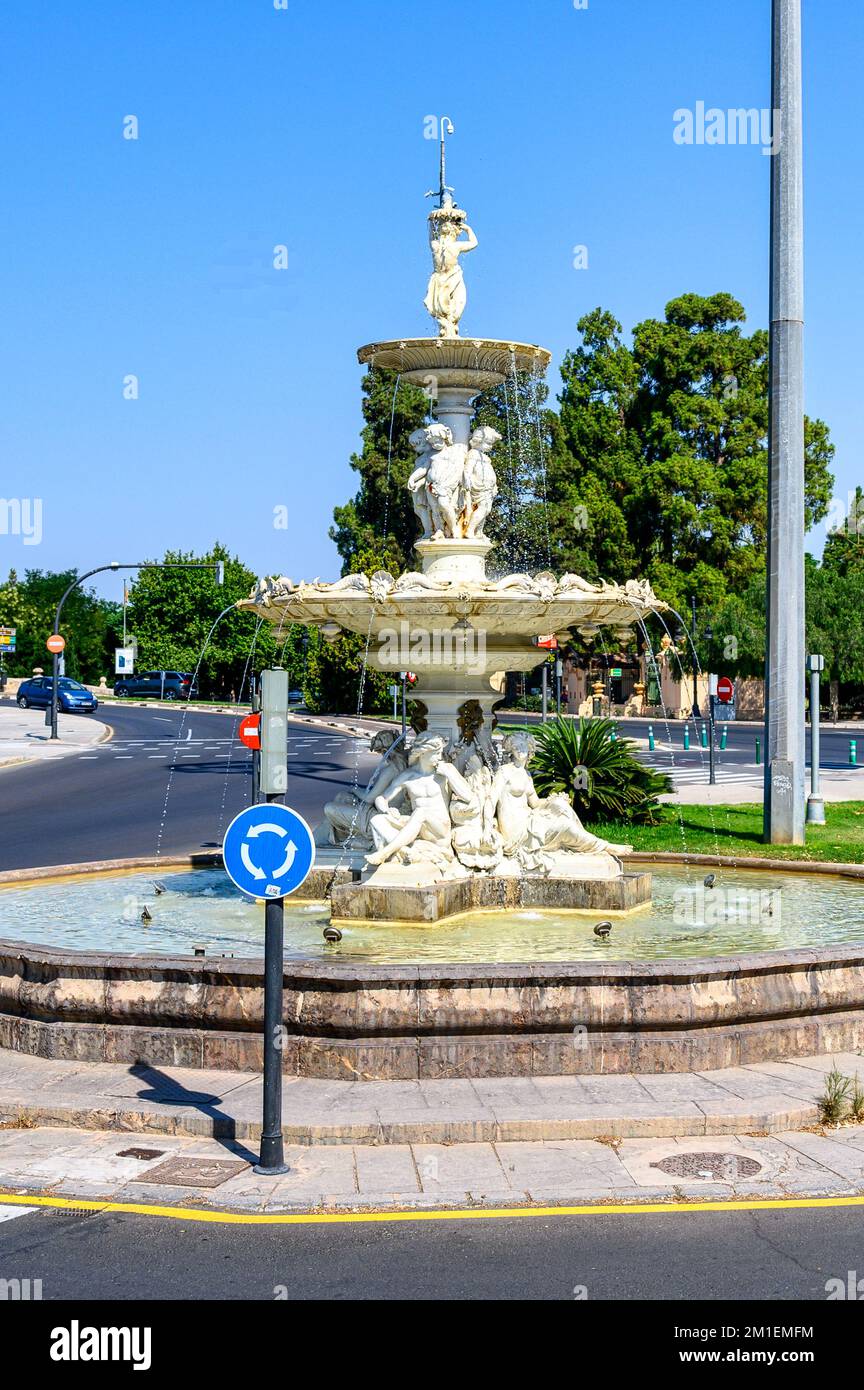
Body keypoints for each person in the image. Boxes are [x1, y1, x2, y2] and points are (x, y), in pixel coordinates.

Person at [424, 213, 478, 338]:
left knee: (457, 304)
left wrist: (468, 229)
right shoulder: (439, 245)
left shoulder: (451, 245)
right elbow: (431, 236)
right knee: (443, 309)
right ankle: (446, 328)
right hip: (441, 279)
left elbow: (474, 243)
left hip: (452, 276)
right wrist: (431, 225)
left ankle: (450, 328)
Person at [463, 426, 501, 538]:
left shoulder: (486, 457)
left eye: (491, 444)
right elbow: (468, 469)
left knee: (486, 509)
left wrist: (494, 486)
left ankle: (478, 532)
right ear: (478, 440)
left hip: (488, 488)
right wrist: (467, 479)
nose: (490, 446)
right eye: (488, 443)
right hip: (479, 487)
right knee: (483, 508)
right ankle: (470, 530)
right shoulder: (473, 453)